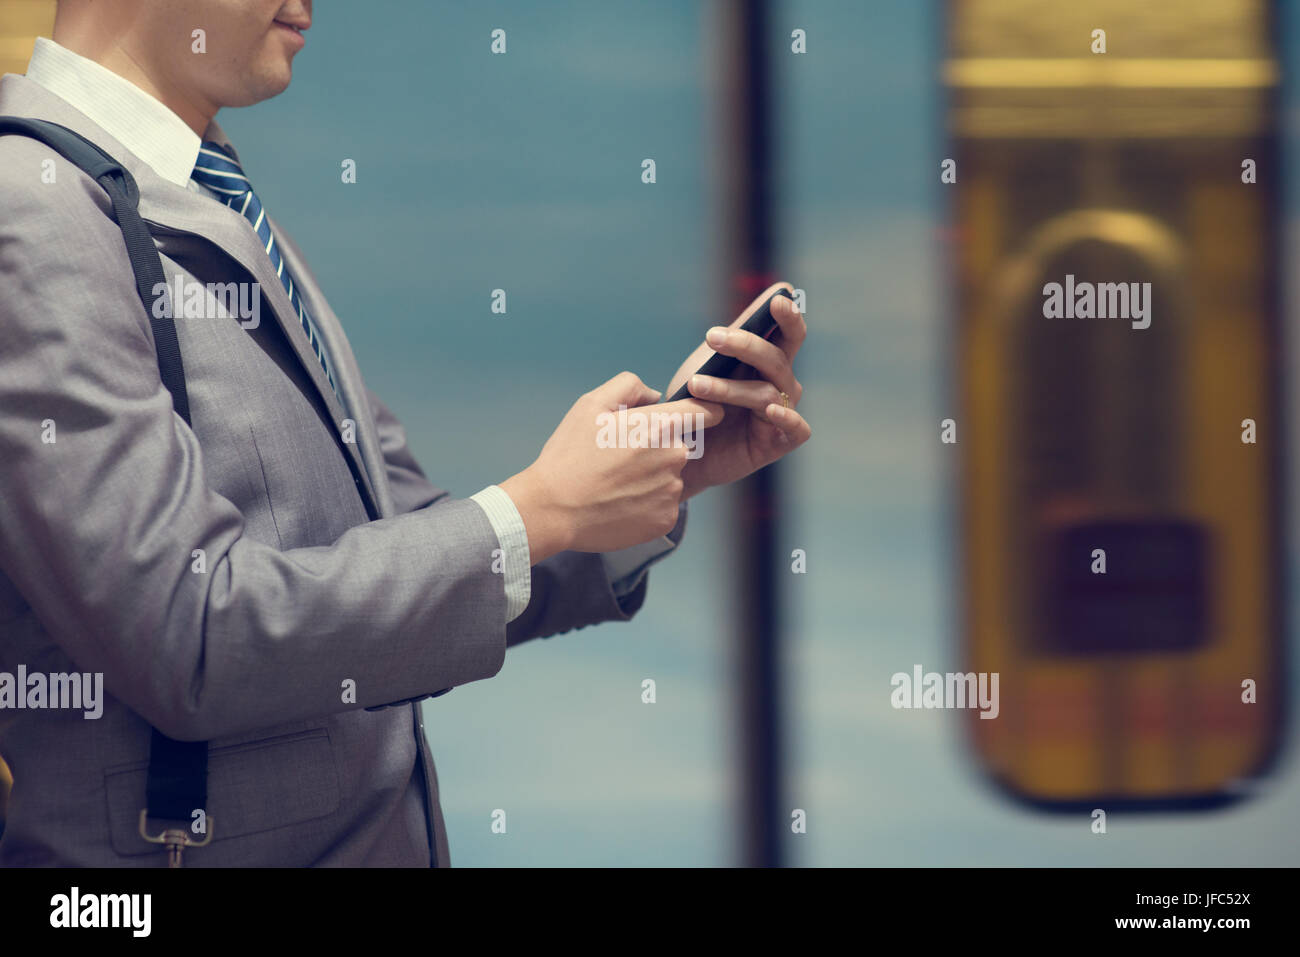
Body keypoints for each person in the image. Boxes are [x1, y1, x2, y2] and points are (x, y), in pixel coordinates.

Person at [0, 0, 811, 866]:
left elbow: (404, 538)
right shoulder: (34, 210)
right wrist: (537, 510)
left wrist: (639, 478)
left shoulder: (208, 196)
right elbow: (187, 635)